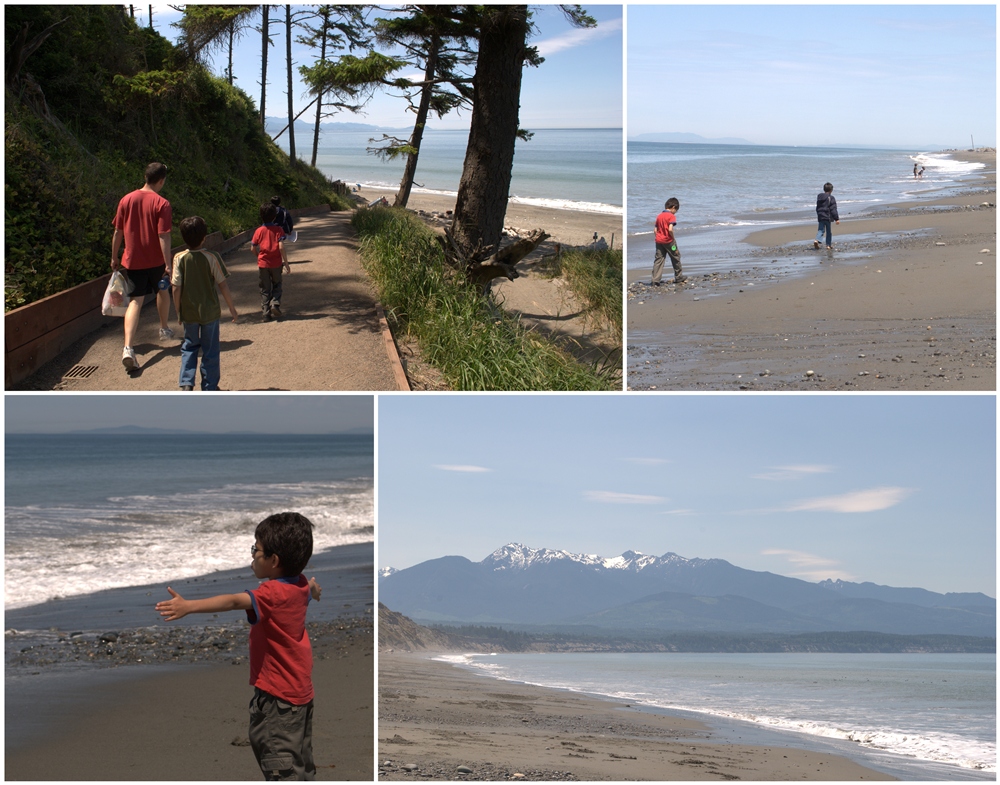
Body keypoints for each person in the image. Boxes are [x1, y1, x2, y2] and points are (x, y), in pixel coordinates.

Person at [156, 512, 323, 781]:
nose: (252, 556)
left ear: (274, 560)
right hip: (300, 694)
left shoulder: (271, 594)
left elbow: (234, 601)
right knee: (300, 764)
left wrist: (189, 606)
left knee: (281, 768)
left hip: (277, 699)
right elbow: (310, 586)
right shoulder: (300, 583)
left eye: (256, 550)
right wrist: (314, 590)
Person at [111, 162, 176, 372]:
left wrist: (114, 256)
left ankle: (128, 348)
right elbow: (163, 235)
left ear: (145, 177)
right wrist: (168, 264)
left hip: (133, 260)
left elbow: (118, 232)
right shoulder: (162, 203)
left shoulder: (126, 199)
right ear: (161, 181)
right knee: (162, 291)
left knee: (135, 302)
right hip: (156, 260)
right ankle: (164, 328)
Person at [170, 216, 238, 391]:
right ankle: (209, 387)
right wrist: (231, 308)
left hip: (189, 312)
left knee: (189, 346)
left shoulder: (179, 258)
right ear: (204, 237)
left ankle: (186, 382)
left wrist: (178, 310)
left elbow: (176, 287)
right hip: (210, 311)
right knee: (211, 349)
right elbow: (223, 284)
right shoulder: (212, 257)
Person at [252, 203, 292, 320]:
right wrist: (286, 263)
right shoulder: (279, 230)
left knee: (264, 288)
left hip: (263, 264)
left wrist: (259, 256)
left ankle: (266, 313)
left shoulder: (258, 231)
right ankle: (275, 303)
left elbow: (252, 248)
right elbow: (281, 247)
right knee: (277, 284)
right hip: (276, 263)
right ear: (274, 216)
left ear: (261, 216)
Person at [651, 197, 686, 286]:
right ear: (673, 207)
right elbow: (670, 229)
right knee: (676, 256)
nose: (675, 212)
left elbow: (655, 230)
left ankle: (655, 279)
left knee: (659, 259)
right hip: (669, 241)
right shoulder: (671, 216)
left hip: (659, 241)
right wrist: (673, 238)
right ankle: (678, 276)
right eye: (676, 210)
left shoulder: (659, 216)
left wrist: (659, 237)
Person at [813, 182, 840, 250]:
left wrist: (818, 214)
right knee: (828, 231)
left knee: (820, 230)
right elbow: (833, 209)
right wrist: (836, 218)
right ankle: (828, 245)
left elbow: (817, 207)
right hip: (828, 217)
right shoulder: (831, 198)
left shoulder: (819, 197)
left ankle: (817, 240)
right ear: (831, 190)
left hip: (821, 216)